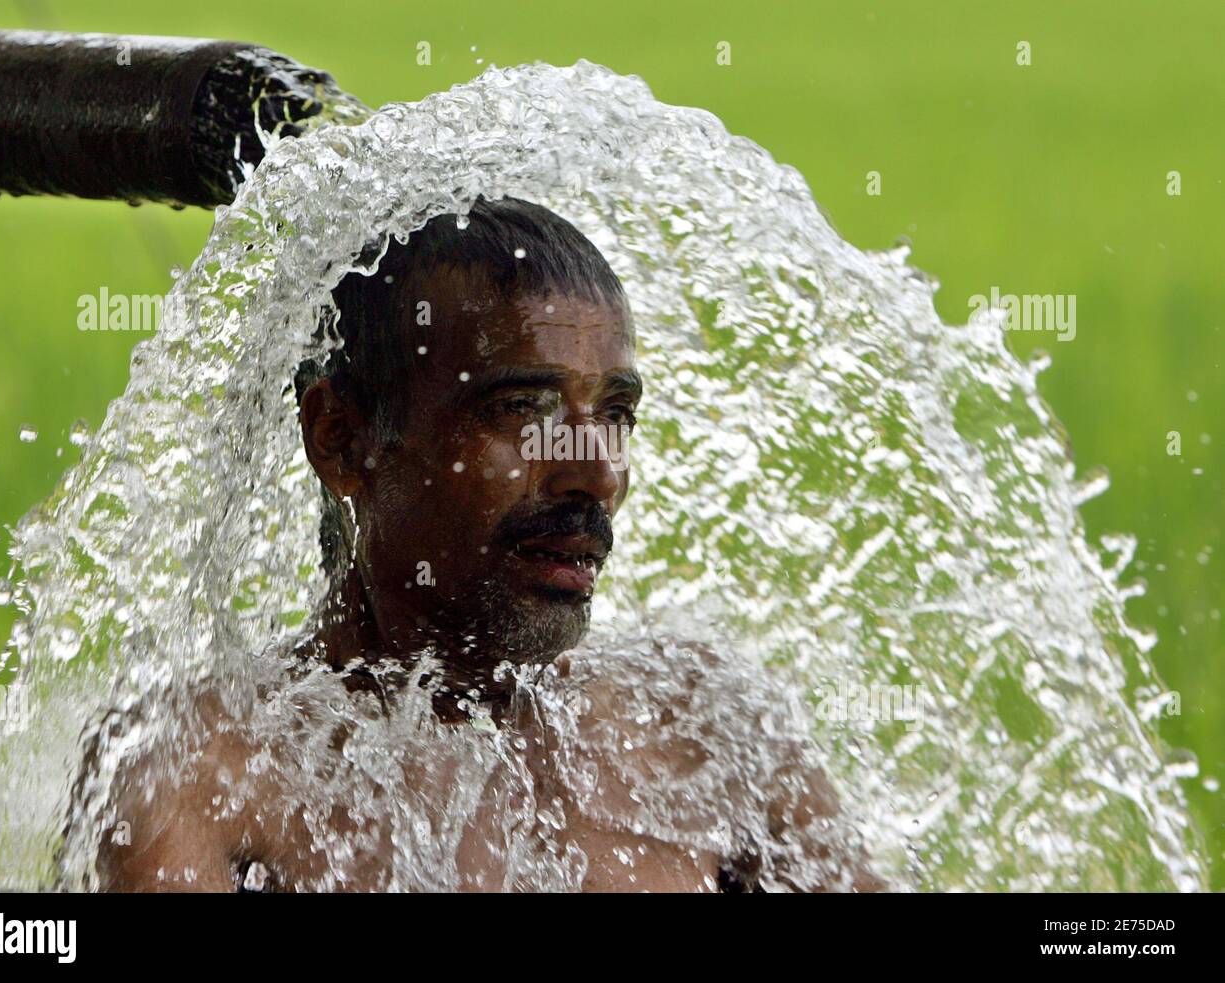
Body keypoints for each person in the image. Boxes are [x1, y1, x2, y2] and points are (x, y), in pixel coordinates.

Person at [95, 197, 885, 892]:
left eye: (615, 413)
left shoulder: (703, 731)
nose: (598, 472)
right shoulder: (207, 775)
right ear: (341, 438)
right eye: (523, 409)